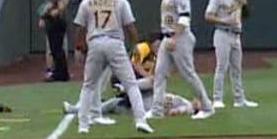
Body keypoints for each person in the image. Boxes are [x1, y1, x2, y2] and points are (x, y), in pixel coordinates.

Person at [72, 0, 153, 136]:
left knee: (89, 85)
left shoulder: (87, 3)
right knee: (131, 84)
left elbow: (80, 28)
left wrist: (79, 48)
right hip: (115, 43)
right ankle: (141, 121)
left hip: (95, 42)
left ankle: (83, 124)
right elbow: (130, 27)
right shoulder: (121, 2)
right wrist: (134, 46)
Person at [63, 41, 198, 118]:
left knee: (112, 104)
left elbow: (174, 111)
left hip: (140, 100)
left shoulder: (185, 106)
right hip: (135, 85)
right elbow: (135, 64)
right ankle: (121, 90)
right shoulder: (145, 49)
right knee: (112, 101)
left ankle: (77, 109)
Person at [149, 0, 216, 120]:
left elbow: (185, 17)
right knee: (159, 74)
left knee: (188, 74)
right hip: (167, 37)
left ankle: (207, 107)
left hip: (180, 37)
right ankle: (156, 111)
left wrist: (175, 37)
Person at [205, 0, 257, 108]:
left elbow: (245, 15)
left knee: (237, 69)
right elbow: (208, 15)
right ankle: (217, 99)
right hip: (222, 33)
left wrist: (245, 5)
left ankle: (239, 99)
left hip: (236, 35)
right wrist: (224, 21)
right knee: (221, 67)